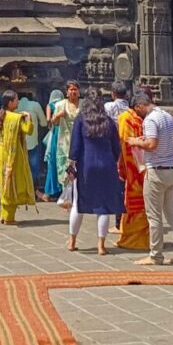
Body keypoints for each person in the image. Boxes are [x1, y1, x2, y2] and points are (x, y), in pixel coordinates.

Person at [130, 85, 173, 265]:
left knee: (154, 216)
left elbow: (152, 144)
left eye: (137, 110)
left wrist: (136, 142)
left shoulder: (150, 120)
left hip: (156, 170)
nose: (137, 114)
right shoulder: (169, 116)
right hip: (171, 169)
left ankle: (155, 254)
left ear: (141, 105)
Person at [66, 92, 124, 254]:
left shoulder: (81, 120)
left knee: (78, 203)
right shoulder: (109, 122)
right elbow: (116, 148)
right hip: (106, 165)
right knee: (103, 207)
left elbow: (75, 146)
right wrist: (112, 160)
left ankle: (72, 241)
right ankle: (101, 245)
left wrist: (71, 165)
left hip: (86, 166)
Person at [113, 89, 151, 251]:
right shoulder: (126, 119)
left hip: (138, 168)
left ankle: (137, 239)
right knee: (134, 202)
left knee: (137, 202)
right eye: (145, 106)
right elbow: (123, 143)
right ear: (137, 106)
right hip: (135, 168)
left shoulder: (139, 119)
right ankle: (135, 238)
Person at [0, 90, 36, 225]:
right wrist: (28, 117)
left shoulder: (1, 115)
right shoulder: (15, 118)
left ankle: (3, 214)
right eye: (16, 100)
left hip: (3, 152)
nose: (18, 102)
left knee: (4, 182)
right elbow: (28, 130)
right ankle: (9, 217)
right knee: (12, 184)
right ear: (10, 102)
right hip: (14, 154)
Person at [45, 83, 81, 205]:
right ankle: (67, 194)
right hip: (65, 141)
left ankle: (79, 193)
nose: (73, 92)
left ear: (79, 91)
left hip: (80, 140)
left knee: (80, 166)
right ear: (66, 92)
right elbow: (53, 123)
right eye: (70, 89)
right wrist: (58, 116)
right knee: (65, 168)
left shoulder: (83, 105)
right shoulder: (60, 105)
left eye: (75, 89)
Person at [16, 89, 48, 200]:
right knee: (34, 168)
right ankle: (33, 190)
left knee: (20, 168)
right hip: (33, 142)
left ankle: (23, 191)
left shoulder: (14, 107)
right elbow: (44, 123)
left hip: (18, 144)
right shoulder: (35, 105)